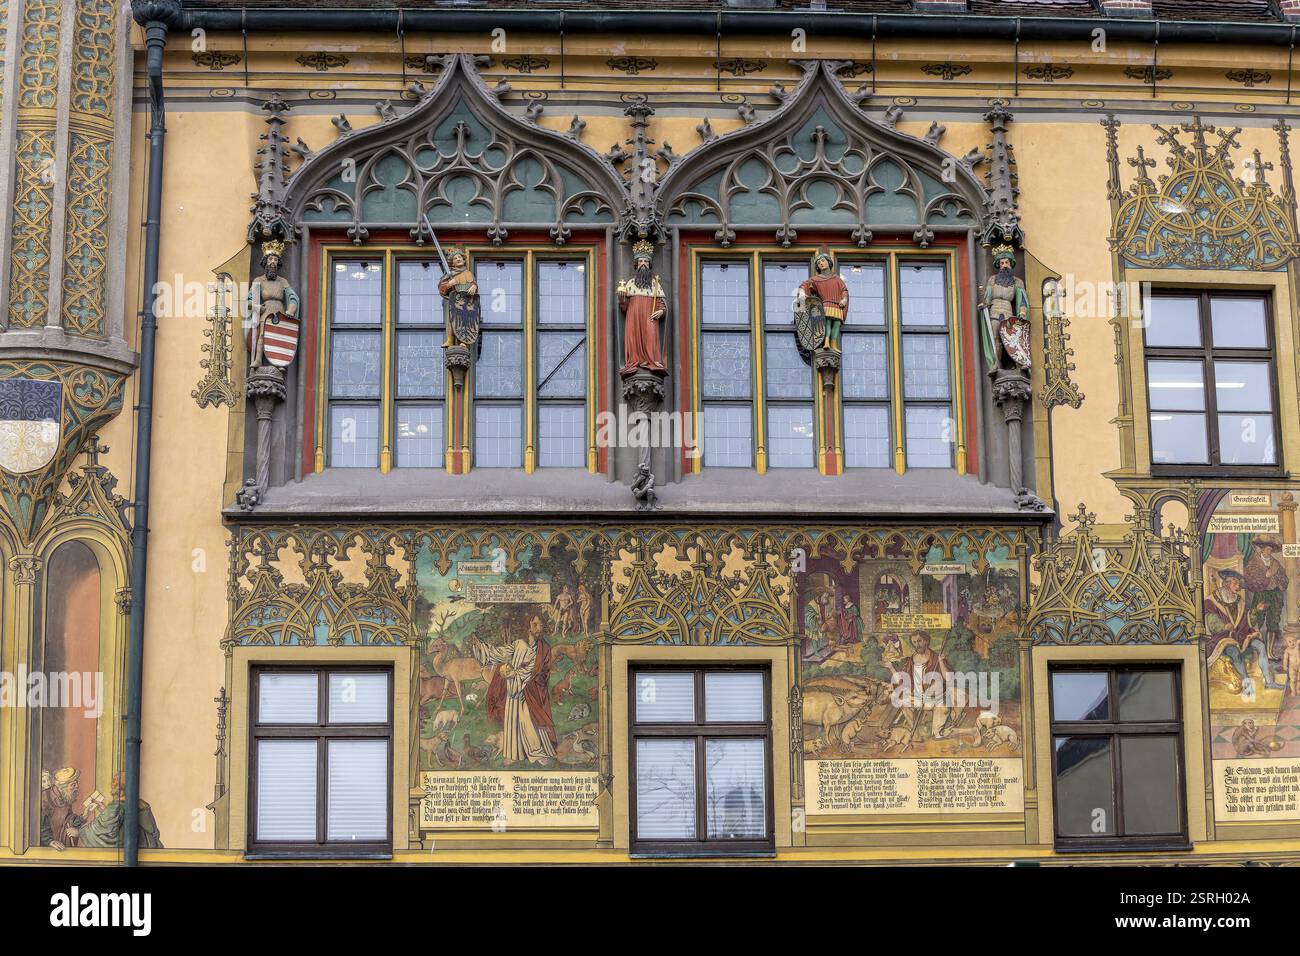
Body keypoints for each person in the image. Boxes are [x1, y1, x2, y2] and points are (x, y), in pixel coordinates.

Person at [474, 613, 557, 764]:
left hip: (530, 691)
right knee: (512, 721)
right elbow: (501, 653)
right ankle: (514, 753)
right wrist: (483, 648)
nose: (539, 628)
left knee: (528, 721)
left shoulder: (543, 649)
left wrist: (514, 674)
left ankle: (537, 753)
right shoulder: (518, 644)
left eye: (540, 624)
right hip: (513, 689)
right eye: (535, 624)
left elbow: (539, 672)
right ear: (528, 626)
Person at [1205, 569, 1283, 691]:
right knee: (1234, 652)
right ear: (1226, 584)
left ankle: (1269, 681)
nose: (1238, 586)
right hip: (1223, 638)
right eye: (1235, 583)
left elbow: (1248, 620)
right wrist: (1223, 626)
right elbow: (1210, 620)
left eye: (1238, 584)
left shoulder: (1239, 601)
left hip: (1241, 635)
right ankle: (1247, 685)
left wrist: (1257, 610)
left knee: (1261, 646)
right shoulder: (1211, 601)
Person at [245, 240, 301, 369]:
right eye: (270, 259)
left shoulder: (283, 281)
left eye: (276, 260)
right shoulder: (258, 280)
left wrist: (291, 311)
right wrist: (256, 307)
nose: (273, 262)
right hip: (266, 310)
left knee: (280, 335)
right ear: (265, 262)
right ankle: (258, 359)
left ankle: (280, 362)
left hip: (280, 311)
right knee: (263, 335)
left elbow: (293, 297)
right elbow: (248, 300)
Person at [617, 240, 667, 376]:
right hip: (633, 318)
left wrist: (661, 311)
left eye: (645, 261)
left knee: (651, 338)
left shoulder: (655, 285)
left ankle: (652, 361)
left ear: (649, 264)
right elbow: (624, 308)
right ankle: (633, 361)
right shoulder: (630, 283)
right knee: (633, 340)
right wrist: (622, 299)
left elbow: (661, 303)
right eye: (640, 261)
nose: (643, 264)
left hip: (649, 317)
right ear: (636, 265)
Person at [79, 772, 164, 849]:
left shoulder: (116, 807)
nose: (111, 784)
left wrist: (79, 832)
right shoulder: (141, 804)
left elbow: (98, 829)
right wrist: (105, 811)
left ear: (121, 787)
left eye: (114, 781)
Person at [982, 245, 1031, 372]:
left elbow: (1023, 299)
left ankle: (1020, 364)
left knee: (1012, 339)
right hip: (995, 310)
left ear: (1011, 264)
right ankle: (996, 365)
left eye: (1006, 262)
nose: (1004, 265)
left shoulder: (1017, 282)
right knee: (996, 338)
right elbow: (987, 297)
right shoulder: (992, 280)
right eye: (1002, 263)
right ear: (998, 265)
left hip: (1008, 310)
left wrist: (1022, 311)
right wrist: (984, 304)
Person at [1244, 536, 1289, 662]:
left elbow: (1285, 579)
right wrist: (1266, 577)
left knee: (1273, 623)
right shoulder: (1254, 563)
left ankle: (1269, 652)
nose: (1268, 552)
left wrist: (1278, 582)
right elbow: (1250, 580)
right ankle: (1257, 652)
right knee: (1257, 620)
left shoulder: (1276, 563)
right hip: (1261, 594)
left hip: (1274, 596)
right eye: (1266, 549)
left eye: (1270, 550)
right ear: (1262, 549)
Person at [798, 252, 849, 351]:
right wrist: (801, 292)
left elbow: (844, 290)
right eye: (818, 263)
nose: (820, 263)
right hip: (826, 304)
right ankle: (826, 342)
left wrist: (844, 299)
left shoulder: (837, 279)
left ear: (828, 262)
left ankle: (833, 344)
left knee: (837, 324)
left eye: (822, 261)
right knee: (828, 322)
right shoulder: (815, 280)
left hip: (837, 305)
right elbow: (804, 285)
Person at [40, 767, 89, 850]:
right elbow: (39, 826)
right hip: (49, 849)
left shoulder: (65, 797)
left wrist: (83, 817)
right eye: (73, 784)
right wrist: (50, 841)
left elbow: (69, 821)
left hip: (64, 847)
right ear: (62, 787)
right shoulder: (44, 798)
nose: (77, 787)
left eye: (76, 783)